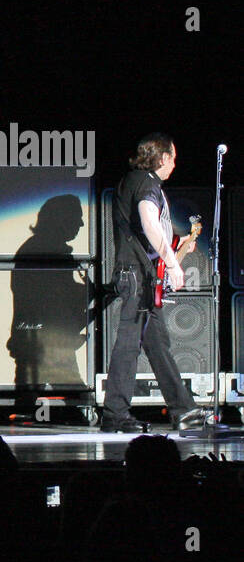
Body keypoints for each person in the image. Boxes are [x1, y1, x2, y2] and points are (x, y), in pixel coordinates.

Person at [102, 133, 205, 432]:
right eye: (173, 157)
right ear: (162, 158)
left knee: (158, 344)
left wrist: (176, 244)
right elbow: (147, 221)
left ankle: (183, 409)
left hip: (139, 274)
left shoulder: (133, 181)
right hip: (136, 274)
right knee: (128, 345)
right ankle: (114, 414)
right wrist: (172, 263)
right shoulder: (147, 182)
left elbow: (144, 228)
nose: (175, 163)